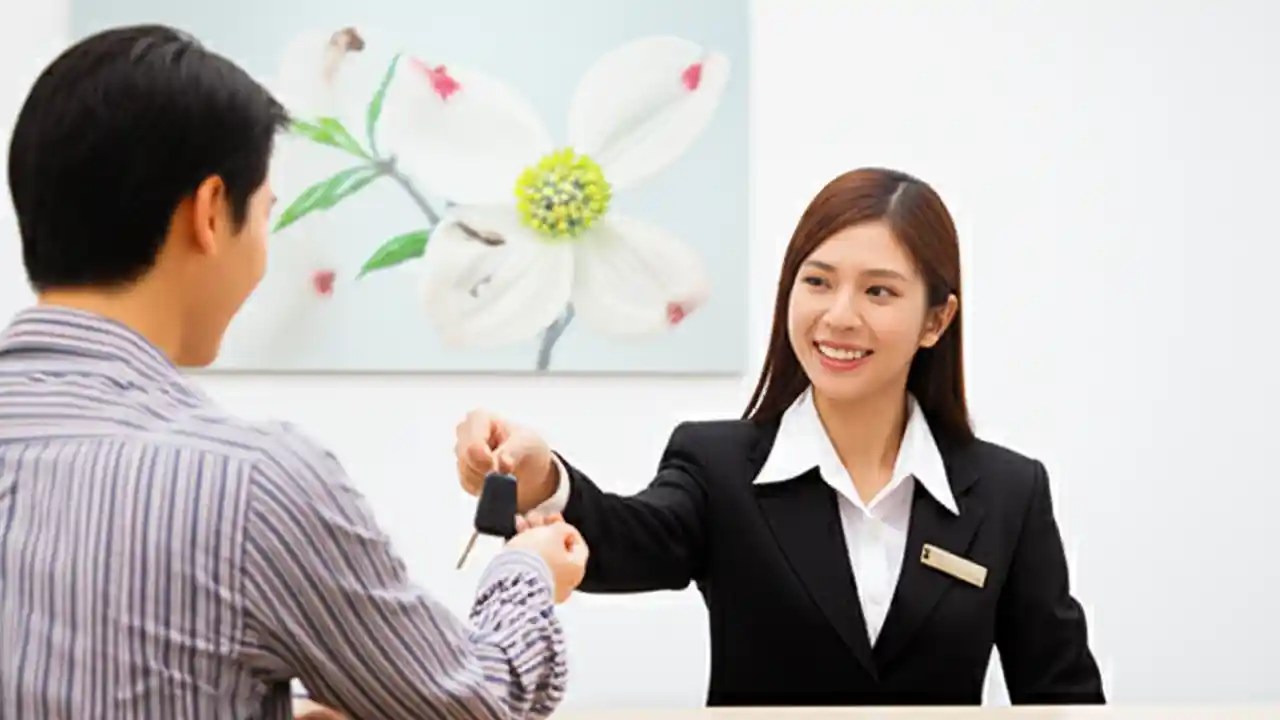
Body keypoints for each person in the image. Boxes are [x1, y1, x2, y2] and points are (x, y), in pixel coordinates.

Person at [0, 24, 587, 720]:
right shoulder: (253, 485)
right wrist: (527, 574)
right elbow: (481, 703)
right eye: (268, 213)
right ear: (213, 213)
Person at [455, 167, 1106, 706]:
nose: (839, 315)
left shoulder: (1008, 492)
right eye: (817, 281)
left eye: (879, 291)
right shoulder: (717, 467)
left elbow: (1062, 696)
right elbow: (622, 540)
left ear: (936, 320)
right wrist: (539, 478)